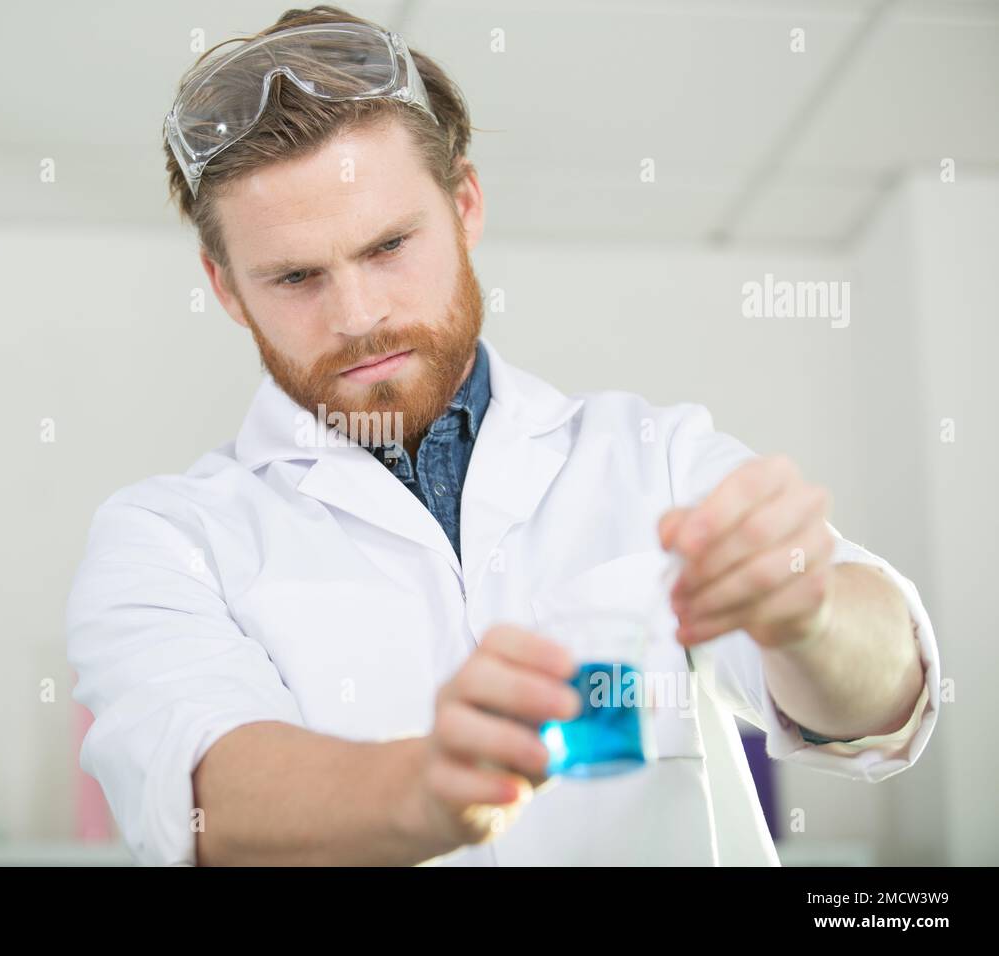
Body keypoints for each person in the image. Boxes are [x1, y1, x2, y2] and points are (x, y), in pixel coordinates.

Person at [66, 5, 938, 866]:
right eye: (295, 276)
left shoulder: (655, 457)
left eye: (388, 247)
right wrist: (423, 790)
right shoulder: (167, 539)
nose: (358, 316)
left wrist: (811, 617)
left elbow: (881, 691)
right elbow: (209, 792)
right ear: (224, 288)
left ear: (465, 205)